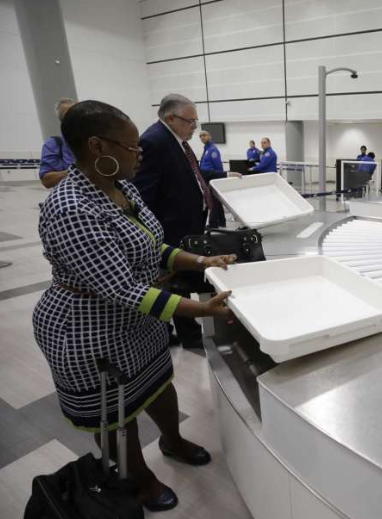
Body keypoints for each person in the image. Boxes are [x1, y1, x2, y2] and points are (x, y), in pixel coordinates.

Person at [33, 100, 237, 511]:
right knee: (114, 413)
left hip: (136, 321)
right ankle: (138, 479)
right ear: (96, 146)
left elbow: (152, 245)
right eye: (131, 146)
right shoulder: (71, 207)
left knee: (158, 381)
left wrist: (201, 260)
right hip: (87, 327)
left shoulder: (120, 187)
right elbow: (123, 290)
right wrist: (202, 309)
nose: (140, 152)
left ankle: (173, 440)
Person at [132, 93, 220, 349]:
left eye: (196, 121)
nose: (195, 127)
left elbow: (190, 173)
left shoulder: (176, 141)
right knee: (173, 284)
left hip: (186, 228)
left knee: (180, 282)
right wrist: (157, 234)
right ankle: (188, 335)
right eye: (189, 121)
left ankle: (183, 331)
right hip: (170, 232)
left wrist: (222, 175)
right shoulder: (154, 141)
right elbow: (143, 194)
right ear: (170, 117)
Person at [39, 98, 77, 188]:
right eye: (67, 115)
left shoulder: (92, 140)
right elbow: (46, 180)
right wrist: (79, 171)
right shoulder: (53, 144)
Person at [199, 130, 228, 228]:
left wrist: (220, 179)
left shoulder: (213, 150)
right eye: (201, 136)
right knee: (216, 201)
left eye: (204, 135)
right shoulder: (206, 149)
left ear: (210, 136)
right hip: (206, 177)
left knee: (212, 201)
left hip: (212, 178)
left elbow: (218, 165)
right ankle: (221, 221)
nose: (202, 137)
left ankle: (213, 223)